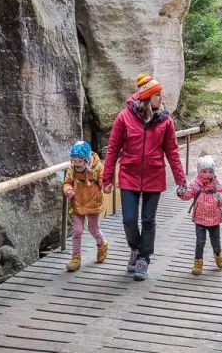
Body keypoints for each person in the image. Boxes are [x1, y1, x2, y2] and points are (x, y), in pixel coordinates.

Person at [103, 73, 187, 281]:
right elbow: (113, 149)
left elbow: (173, 152)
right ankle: (135, 248)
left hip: (154, 176)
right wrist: (107, 179)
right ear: (148, 97)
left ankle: (143, 259)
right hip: (129, 174)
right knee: (129, 219)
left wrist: (181, 181)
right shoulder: (124, 118)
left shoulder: (165, 121)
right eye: (158, 94)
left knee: (148, 220)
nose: (161, 98)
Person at [63, 141, 108, 271]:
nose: (77, 164)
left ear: (86, 159)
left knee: (93, 229)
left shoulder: (97, 167)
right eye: (74, 160)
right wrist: (68, 190)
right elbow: (67, 182)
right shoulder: (72, 169)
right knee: (77, 231)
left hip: (93, 202)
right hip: (77, 202)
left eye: (79, 161)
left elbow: (103, 180)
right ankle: (75, 258)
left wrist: (104, 184)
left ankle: (102, 244)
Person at [181, 154, 222, 275]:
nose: (207, 174)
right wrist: (181, 192)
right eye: (204, 171)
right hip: (200, 219)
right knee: (200, 242)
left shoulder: (217, 186)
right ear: (199, 171)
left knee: (216, 242)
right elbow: (188, 195)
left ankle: (218, 255)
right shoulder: (196, 185)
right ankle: (198, 262)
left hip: (214, 219)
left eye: (210, 171)